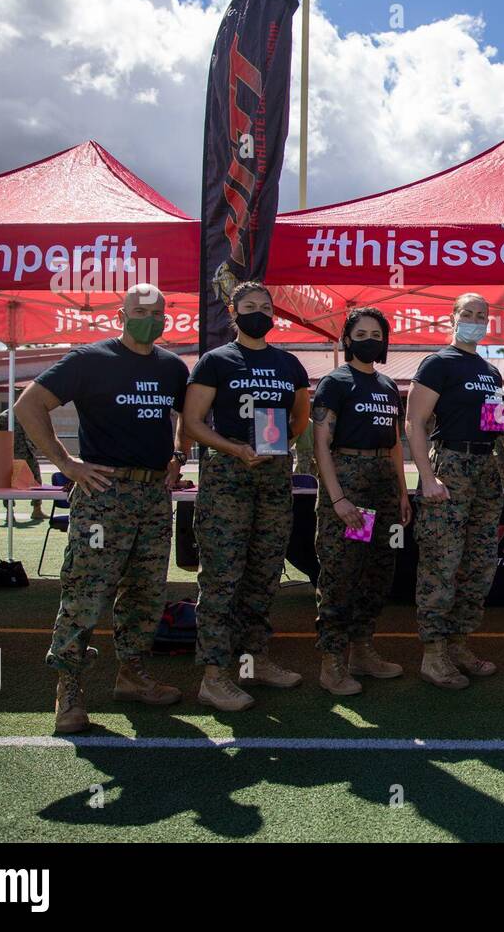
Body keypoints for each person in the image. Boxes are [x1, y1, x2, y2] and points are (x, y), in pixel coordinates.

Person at [14, 283, 189, 734]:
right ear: (121, 314)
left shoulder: (171, 368)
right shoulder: (90, 360)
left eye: (159, 311)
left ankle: (132, 674)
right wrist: (65, 463)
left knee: (146, 593)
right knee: (86, 592)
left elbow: (185, 417)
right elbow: (29, 405)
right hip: (104, 493)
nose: (151, 317)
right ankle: (69, 690)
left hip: (153, 497)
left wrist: (177, 455)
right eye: (141, 310)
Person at [183, 281, 310, 711]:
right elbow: (193, 422)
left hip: (273, 478)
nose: (259, 312)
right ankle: (214, 676)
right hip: (227, 478)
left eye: (266, 306)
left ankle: (254, 661)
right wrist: (236, 448)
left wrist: (279, 444)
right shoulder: (215, 361)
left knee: (264, 574)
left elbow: (300, 416)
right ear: (233, 313)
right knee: (222, 578)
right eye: (249, 306)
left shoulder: (288, 363)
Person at [406, 293, 504, 689]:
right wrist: (428, 478)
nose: (474, 319)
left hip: (485, 467)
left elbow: (493, 425)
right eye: (466, 313)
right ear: (452, 318)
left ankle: (459, 643)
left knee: (479, 563)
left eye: (481, 315)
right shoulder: (437, 363)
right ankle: (433, 654)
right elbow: (414, 422)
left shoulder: (489, 370)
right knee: (441, 562)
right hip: (449, 465)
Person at [310, 307, 410, 694]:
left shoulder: (387, 385)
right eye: (362, 333)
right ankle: (332, 660)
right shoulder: (336, 382)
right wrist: (338, 499)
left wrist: (402, 492)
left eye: (377, 334)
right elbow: (321, 443)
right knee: (343, 571)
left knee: (377, 572)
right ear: (348, 340)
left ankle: (363, 650)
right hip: (350, 484)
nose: (371, 339)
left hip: (383, 486)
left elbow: (396, 445)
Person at [0, 408, 45, 522]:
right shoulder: (3, 417)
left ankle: (37, 509)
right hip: (11, 455)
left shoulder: (29, 413)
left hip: (29, 453)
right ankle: (9, 512)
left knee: (37, 481)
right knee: (8, 485)